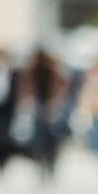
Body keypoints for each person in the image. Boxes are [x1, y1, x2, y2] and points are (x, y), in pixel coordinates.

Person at [22, 48, 66, 182]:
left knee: (48, 138)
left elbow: (60, 88)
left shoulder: (51, 71)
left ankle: (47, 162)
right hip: (41, 107)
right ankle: (44, 162)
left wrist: (53, 103)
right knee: (44, 138)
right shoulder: (35, 71)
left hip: (49, 107)